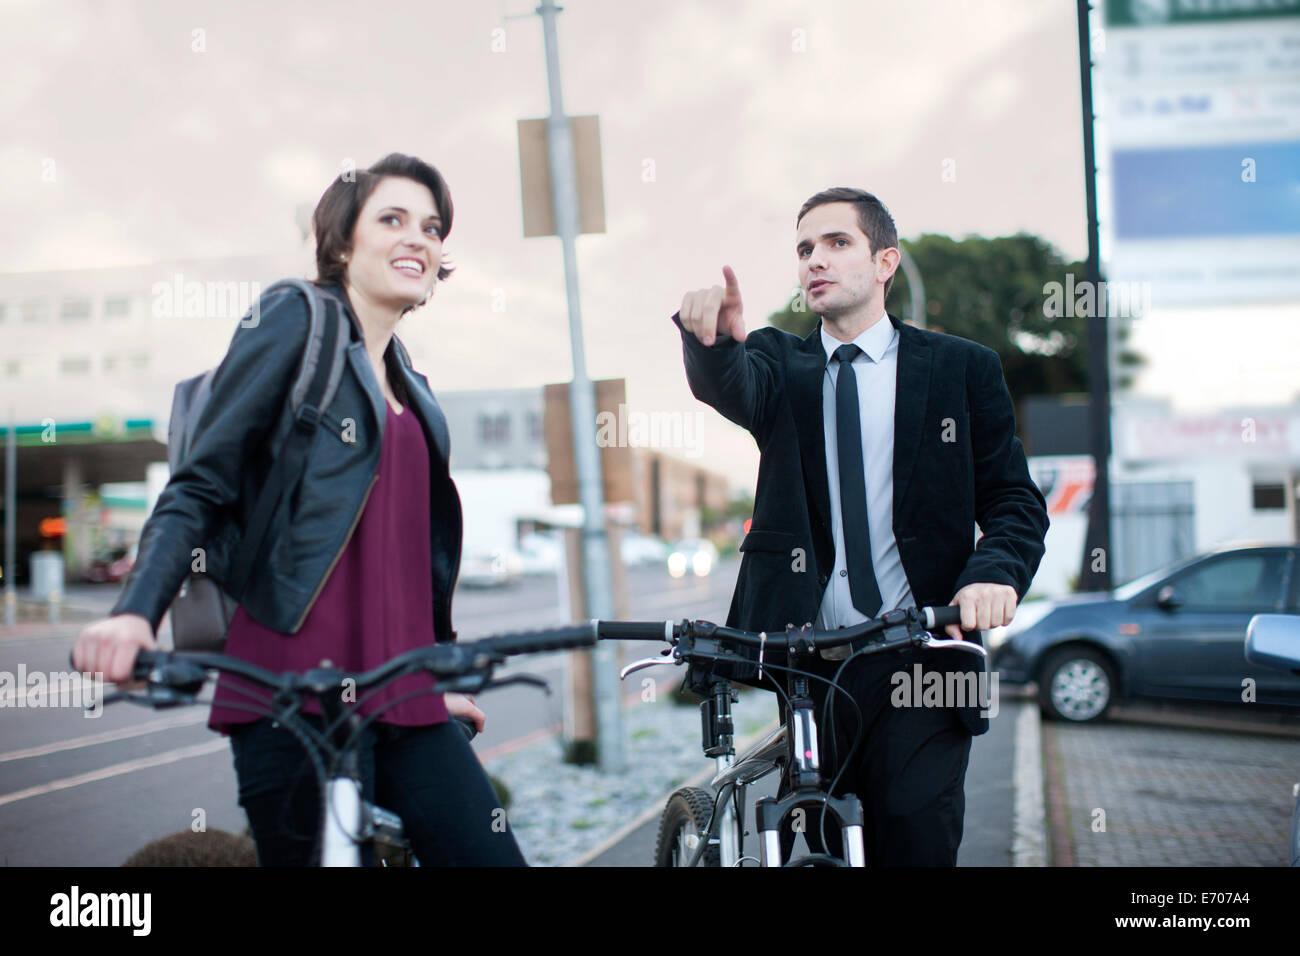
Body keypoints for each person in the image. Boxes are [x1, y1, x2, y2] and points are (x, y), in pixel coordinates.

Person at [72, 153, 526, 866]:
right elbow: (200, 483)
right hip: (292, 696)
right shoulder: (296, 318)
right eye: (393, 219)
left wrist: (434, 679)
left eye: (433, 228)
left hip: (405, 700)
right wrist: (137, 611)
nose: (419, 239)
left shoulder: (421, 396)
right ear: (343, 242)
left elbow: (408, 564)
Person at [672, 186, 1049, 866]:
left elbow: (1014, 502)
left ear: (885, 263)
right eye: (804, 248)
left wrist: (992, 575)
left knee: (914, 827)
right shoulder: (779, 364)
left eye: (836, 242)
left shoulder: (964, 370)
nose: (814, 258)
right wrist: (710, 343)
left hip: (929, 648)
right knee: (811, 835)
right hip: (812, 661)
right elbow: (731, 383)